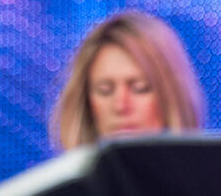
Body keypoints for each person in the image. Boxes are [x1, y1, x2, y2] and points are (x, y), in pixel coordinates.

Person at [50, 9, 206, 150]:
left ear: (173, 96)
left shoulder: (212, 180)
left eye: (140, 88)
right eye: (105, 91)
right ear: (86, 103)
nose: (120, 106)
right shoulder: (60, 180)